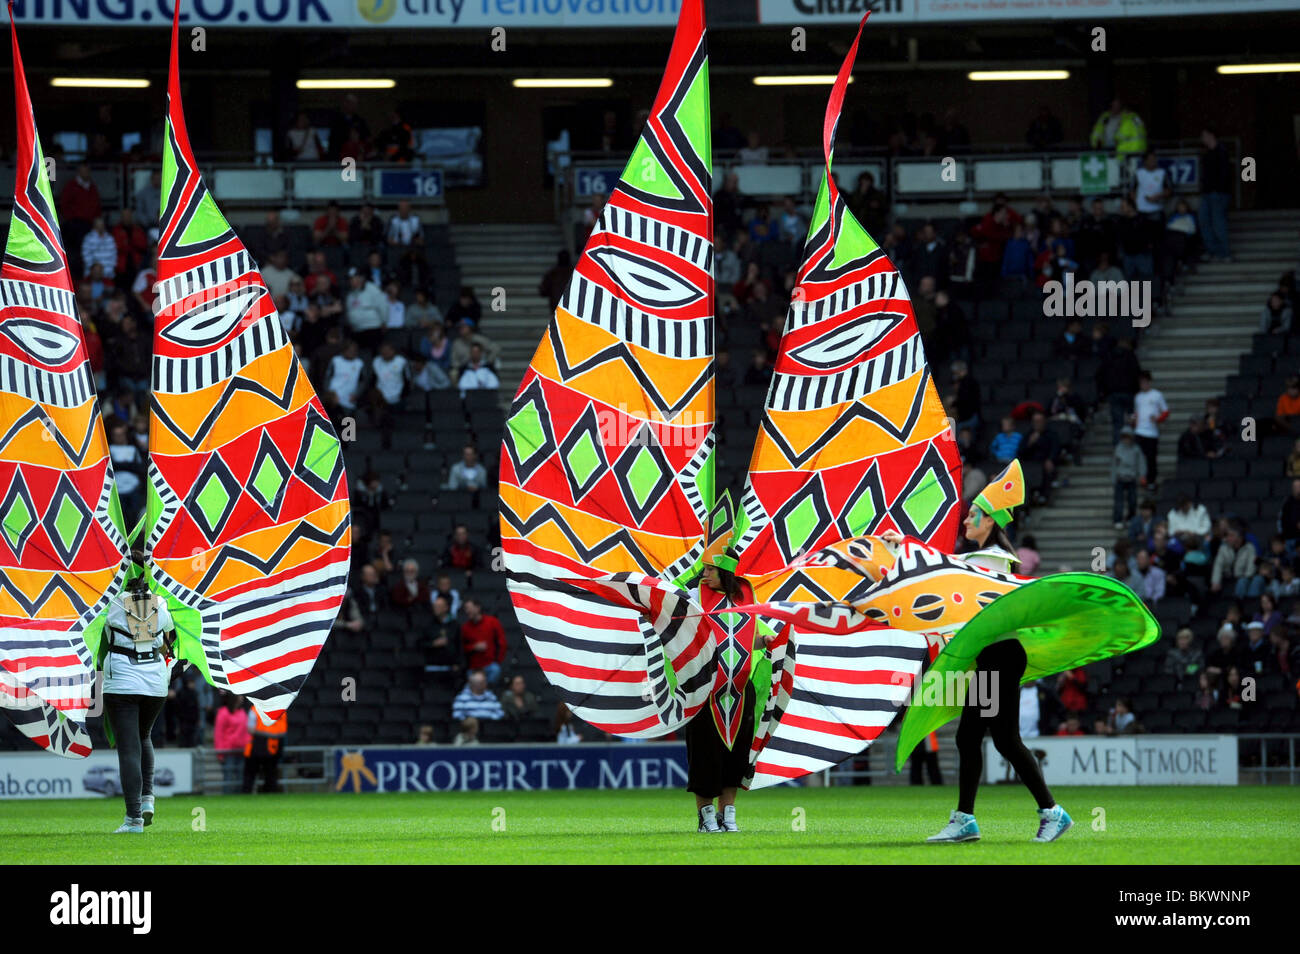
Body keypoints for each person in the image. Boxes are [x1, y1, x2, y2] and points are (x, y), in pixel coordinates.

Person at [914, 463, 1073, 843]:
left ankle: (1046, 813)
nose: (966, 520)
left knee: (985, 739)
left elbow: (942, 580)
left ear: (990, 523)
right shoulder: (984, 560)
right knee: (988, 739)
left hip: (999, 658)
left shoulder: (987, 562)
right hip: (995, 658)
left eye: (973, 515)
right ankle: (973, 819)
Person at [685, 542, 775, 834]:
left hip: (740, 691)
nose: (705, 573)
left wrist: (767, 642)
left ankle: (728, 814)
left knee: (735, 755)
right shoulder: (694, 594)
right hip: (704, 692)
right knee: (704, 754)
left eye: (710, 568)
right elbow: (672, 623)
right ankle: (706, 816)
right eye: (705, 568)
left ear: (726, 571)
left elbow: (752, 639)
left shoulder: (746, 596)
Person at [101, 551, 176, 832]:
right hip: (155, 681)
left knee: (129, 747)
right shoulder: (162, 604)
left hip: (122, 679)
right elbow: (169, 631)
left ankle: (133, 819)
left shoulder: (112, 604)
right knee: (144, 736)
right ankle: (148, 800)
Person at [1198, 127, 1233, 262]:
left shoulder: (1222, 152)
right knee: (1204, 221)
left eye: (1204, 135)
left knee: (1218, 222)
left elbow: (1225, 174)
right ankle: (1212, 250)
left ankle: (1225, 252)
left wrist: (1219, 189)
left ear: (1211, 135)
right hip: (1207, 193)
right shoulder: (1206, 154)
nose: (1202, 139)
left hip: (1218, 193)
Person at [460, 599, 506, 685]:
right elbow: (461, 648)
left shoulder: (492, 622)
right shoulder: (465, 628)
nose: (467, 611)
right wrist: (474, 647)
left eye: (469, 608)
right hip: (474, 667)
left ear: (477, 608)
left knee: (495, 670)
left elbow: (502, 644)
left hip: (490, 665)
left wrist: (497, 661)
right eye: (465, 609)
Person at [213, 694, 249, 794]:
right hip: (228, 751)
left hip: (241, 750)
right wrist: (220, 752)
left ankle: (239, 799)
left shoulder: (242, 712)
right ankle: (227, 797)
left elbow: (246, 731)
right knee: (228, 778)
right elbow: (218, 733)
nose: (242, 698)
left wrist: (248, 745)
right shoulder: (223, 712)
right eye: (240, 696)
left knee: (240, 777)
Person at [1112, 426, 1147, 529]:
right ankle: (1117, 519)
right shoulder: (1118, 448)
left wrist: (1142, 475)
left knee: (1133, 501)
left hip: (1132, 478)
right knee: (1119, 501)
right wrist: (1114, 477)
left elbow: (1141, 463)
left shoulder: (1136, 449)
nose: (1126, 440)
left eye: (1128, 437)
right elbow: (1114, 464)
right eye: (1124, 437)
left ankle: (1130, 518)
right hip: (1120, 478)